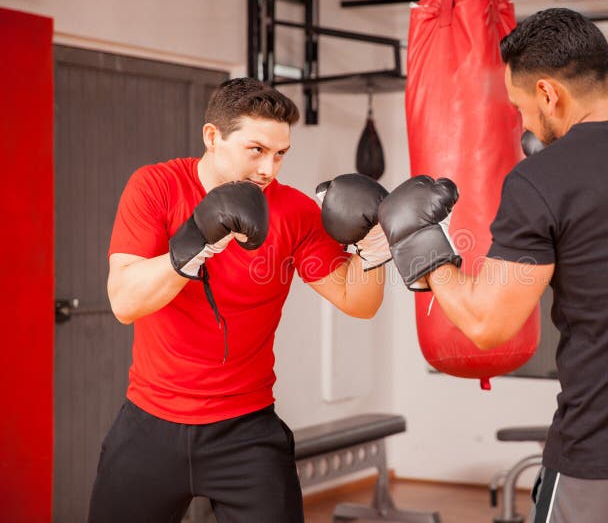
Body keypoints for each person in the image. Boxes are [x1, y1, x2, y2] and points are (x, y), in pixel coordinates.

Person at [378, 8, 608, 523]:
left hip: (605, 465)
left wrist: (424, 246)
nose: (524, 123)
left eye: (520, 107)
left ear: (549, 93)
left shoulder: (543, 179)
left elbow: (489, 324)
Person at [89, 77, 388, 522]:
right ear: (213, 137)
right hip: (150, 423)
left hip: (246, 430)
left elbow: (356, 302)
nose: (270, 169)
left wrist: (374, 248)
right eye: (256, 150)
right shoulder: (156, 187)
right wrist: (192, 244)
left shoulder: (295, 212)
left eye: (280, 153)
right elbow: (124, 302)